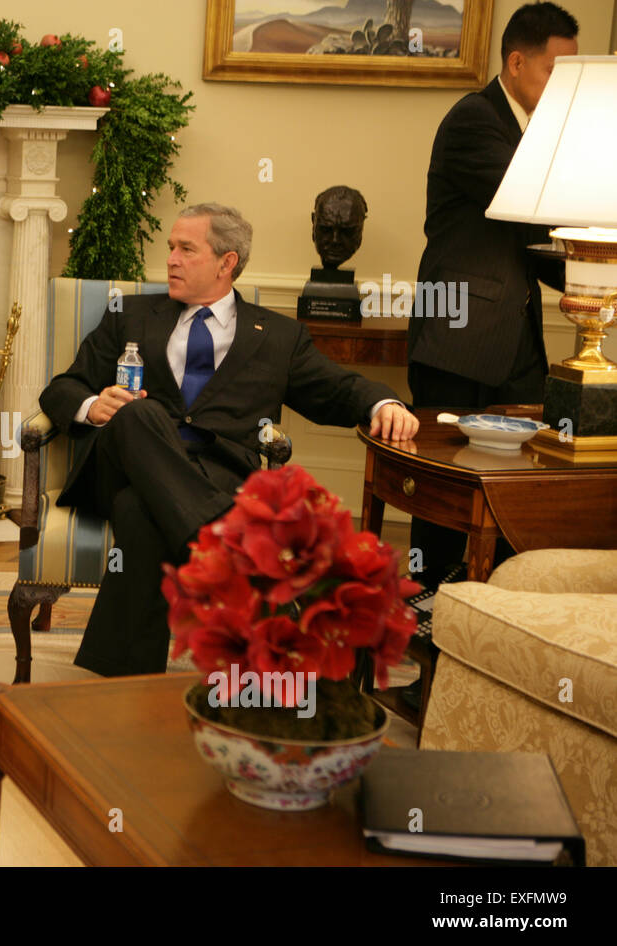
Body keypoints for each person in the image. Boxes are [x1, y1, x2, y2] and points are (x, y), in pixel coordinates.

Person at [40, 203, 419, 677]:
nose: (171, 259)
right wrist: (93, 406)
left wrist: (386, 405)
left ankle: (124, 685)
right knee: (140, 413)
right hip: (125, 462)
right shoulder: (130, 315)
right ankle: (223, 537)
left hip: (216, 475)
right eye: (170, 248)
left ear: (227, 262)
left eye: (186, 249)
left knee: (141, 513)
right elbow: (61, 387)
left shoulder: (278, 336)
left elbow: (336, 389)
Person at [407, 1, 576, 588]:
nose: (563, 89)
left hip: (515, 343)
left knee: (512, 494)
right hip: (458, 336)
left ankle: (489, 618)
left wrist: (597, 286)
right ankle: (423, 627)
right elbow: (533, 211)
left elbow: (531, 243)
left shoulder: (527, 130)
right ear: (516, 61)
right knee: (444, 499)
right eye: (556, 72)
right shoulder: (474, 120)